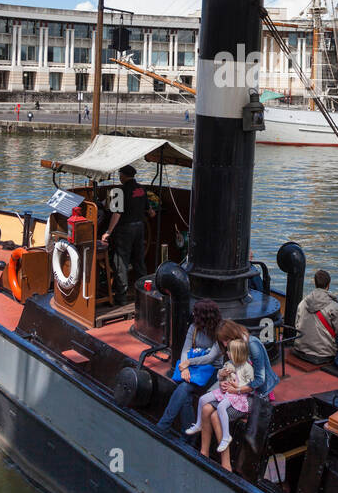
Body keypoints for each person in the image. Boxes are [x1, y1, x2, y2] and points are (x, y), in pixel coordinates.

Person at [156, 299, 223, 435]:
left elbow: (211, 358)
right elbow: (185, 350)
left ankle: (163, 426)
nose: (193, 315)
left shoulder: (220, 331)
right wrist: (185, 368)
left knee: (184, 387)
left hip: (212, 371)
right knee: (185, 396)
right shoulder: (194, 327)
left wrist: (188, 363)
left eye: (196, 313)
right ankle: (187, 435)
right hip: (194, 369)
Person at [188, 337, 254, 467]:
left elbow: (252, 386)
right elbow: (222, 378)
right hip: (227, 393)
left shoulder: (248, 366)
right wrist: (222, 381)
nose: (226, 352)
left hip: (244, 397)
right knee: (206, 408)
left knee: (216, 415)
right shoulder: (230, 363)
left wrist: (236, 387)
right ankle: (204, 452)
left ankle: (226, 464)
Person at [101, 164, 152, 302]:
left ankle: (122, 297)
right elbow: (150, 211)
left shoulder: (119, 191)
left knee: (121, 261)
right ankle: (146, 294)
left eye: (120, 175)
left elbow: (116, 214)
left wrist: (108, 232)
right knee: (139, 261)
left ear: (122, 175)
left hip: (125, 230)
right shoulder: (142, 189)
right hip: (140, 228)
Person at [294, 269, 338, 364]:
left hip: (300, 348)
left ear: (315, 283)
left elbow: (297, 325)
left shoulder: (303, 303)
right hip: (325, 353)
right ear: (328, 285)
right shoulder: (334, 307)